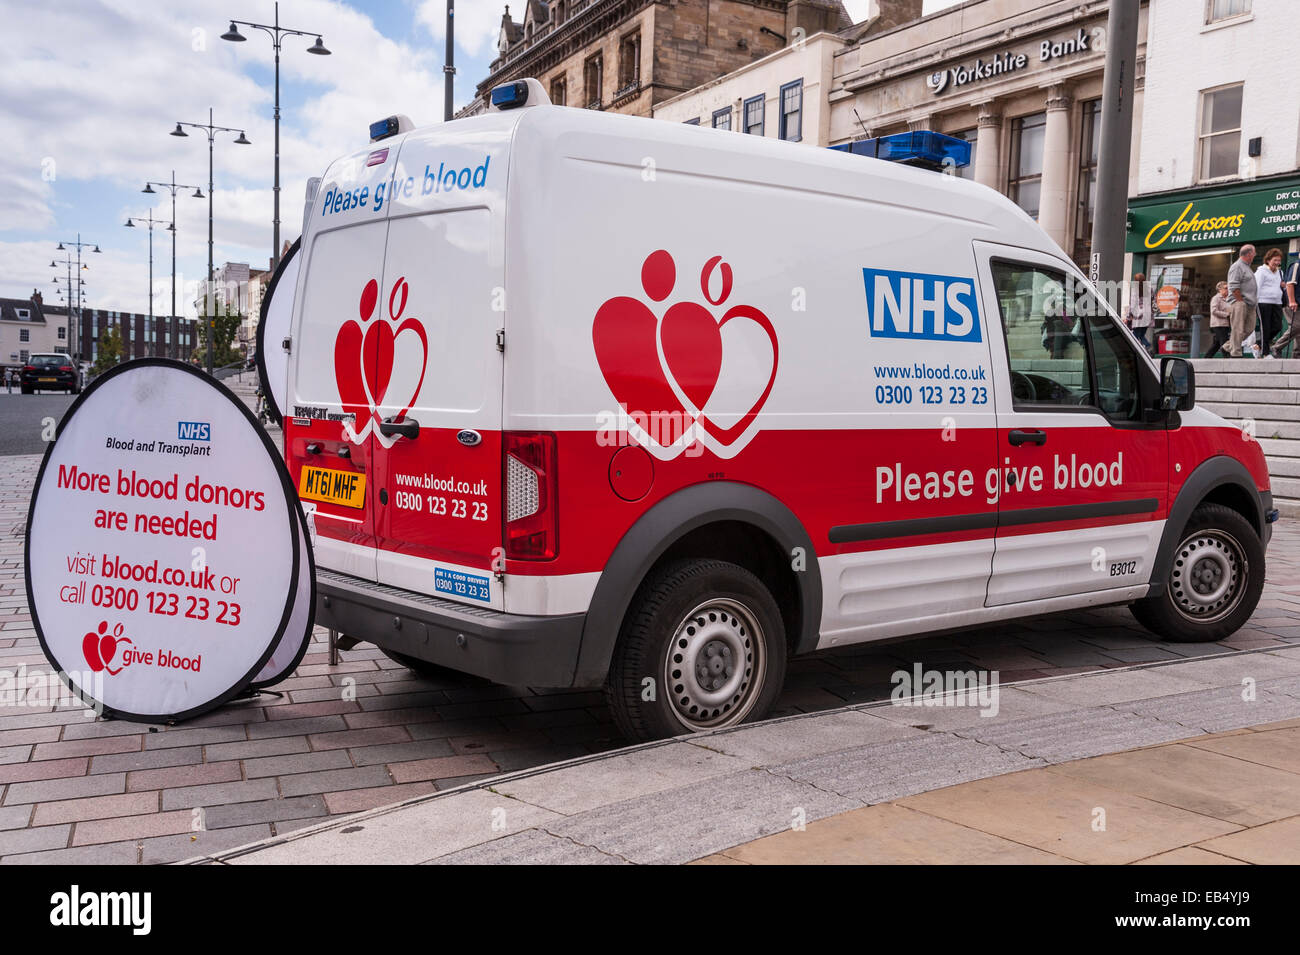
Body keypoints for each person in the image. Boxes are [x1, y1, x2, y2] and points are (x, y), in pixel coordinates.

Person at [1227, 244, 1258, 357]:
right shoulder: (1237, 266)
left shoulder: (1246, 267)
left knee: (1249, 328)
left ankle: (1227, 346)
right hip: (1239, 302)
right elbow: (1234, 286)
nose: (1254, 256)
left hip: (1250, 304)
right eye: (1254, 253)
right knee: (1238, 328)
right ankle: (1235, 353)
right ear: (1249, 254)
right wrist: (1240, 301)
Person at [1255, 247, 1285, 358]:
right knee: (1265, 327)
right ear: (1268, 260)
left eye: (1279, 260)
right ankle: (1265, 353)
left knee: (1278, 326)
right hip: (1263, 302)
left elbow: (1280, 287)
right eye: (1275, 260)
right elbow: (1256, 287)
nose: (1277, 263)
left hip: (1277, 302)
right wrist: (1255, 303)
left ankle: (1258, 344)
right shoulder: (1261, 272)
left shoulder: (1280, 272)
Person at [1272, 256, 1300, 357]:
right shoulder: (1296, 265)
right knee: (1297, 326)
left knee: (1298, 330)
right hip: (1292, 303)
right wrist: (1292, 301)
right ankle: (1277, 347)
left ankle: (1297, 355)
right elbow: (1289, 284)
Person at [1126, 272, 1154, 353]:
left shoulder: (1135, 290)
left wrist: (1129, 316)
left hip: (1138, 316)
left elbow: (1133, 304)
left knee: (1134, 335)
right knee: (1141, 335)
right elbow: (1152, 300)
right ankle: (1148, 348)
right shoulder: (1149, 289)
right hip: (1147, 315)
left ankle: (1134, 350)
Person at [1205, 281, 1232, 358]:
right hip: (1218, 324)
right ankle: (1227, 358)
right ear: (1220, 289)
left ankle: (1207, 358)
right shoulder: (1216, 298)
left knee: (1216, 344)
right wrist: (1226, 315)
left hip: (1225, 324)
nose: (1228, 290)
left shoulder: (1228, 299)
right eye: (1226, 288)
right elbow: (1213, 311)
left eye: (1228, 288)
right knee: (1224, 342)